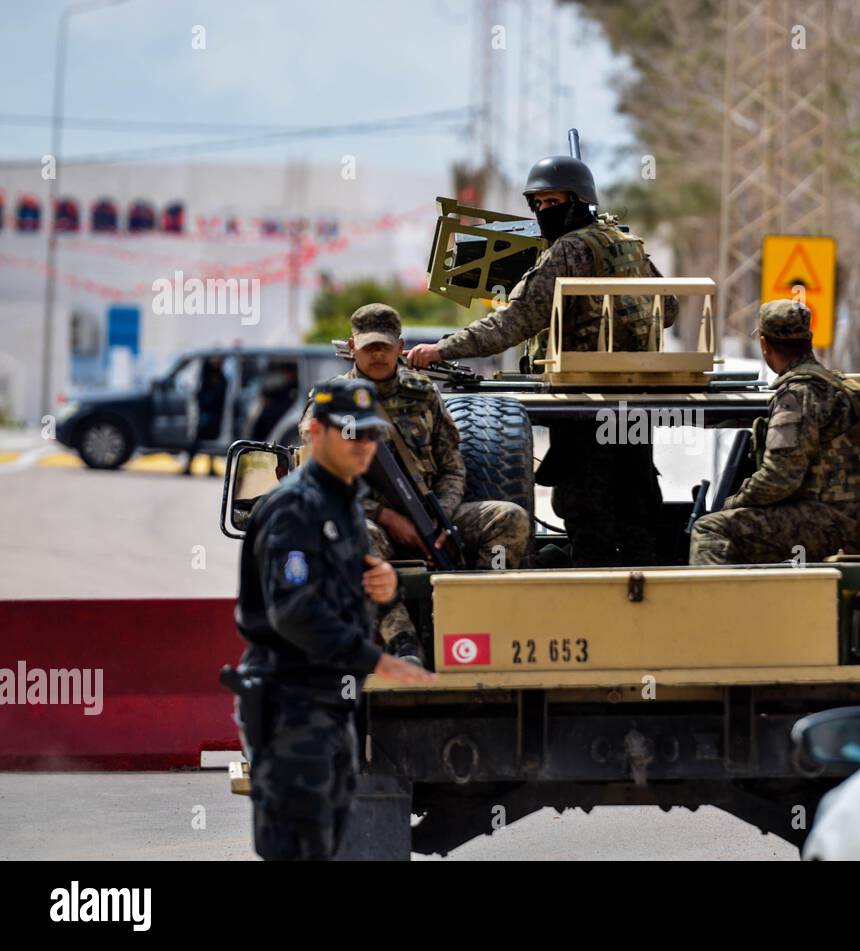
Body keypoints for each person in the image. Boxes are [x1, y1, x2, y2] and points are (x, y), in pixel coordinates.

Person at [406, 155, 677, 567]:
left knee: (588, 509)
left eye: (552, 202)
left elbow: (514, 322)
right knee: (636, 502)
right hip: (632, 399)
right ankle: (646, 588)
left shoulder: (567, 250)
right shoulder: (627, 244)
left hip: (582, 402)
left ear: (578, 201)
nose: (544, 211)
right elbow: (669, 308)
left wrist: (443, 349)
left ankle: (596, 595)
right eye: (539, 204)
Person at [233, 378, 436, 861]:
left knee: (334, 844)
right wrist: (377, 661)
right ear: (316, 432)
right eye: (352, 433)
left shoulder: (343, 499)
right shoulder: (294, 506)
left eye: (372, 435)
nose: (365, 445)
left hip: (330, 700)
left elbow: (353, 576)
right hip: (290, 702)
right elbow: (294, 611)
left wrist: (382, 583)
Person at [318, 303, 531, 666]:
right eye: (369, 347)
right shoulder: (331, 402)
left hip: (432, 515)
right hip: (372, 521)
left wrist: (440, 518)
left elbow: (452, 466)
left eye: (385, 346)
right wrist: (387, 517)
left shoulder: (423, 393)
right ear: (352, 348)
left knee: (509, 518)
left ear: (401, 347)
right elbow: (319, 483)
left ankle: (474, 625)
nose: (379, 354)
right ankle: (403, 643)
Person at [689, 300, 860, 565]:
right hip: (859, 521)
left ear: (764, 344)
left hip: (832, 523)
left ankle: (711, 606)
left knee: (710, 529)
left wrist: (732, 503)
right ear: (808, 339)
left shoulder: (797, 395)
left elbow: (779, 478)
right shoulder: (838, 386)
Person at [184, 357, 227, 476]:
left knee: (212, 442)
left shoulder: (221, 378)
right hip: (204, 413)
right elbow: (200, 394)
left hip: (215, 414)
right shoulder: (205, 376)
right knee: (197, 441)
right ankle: (188, 465)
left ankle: (210, 467)